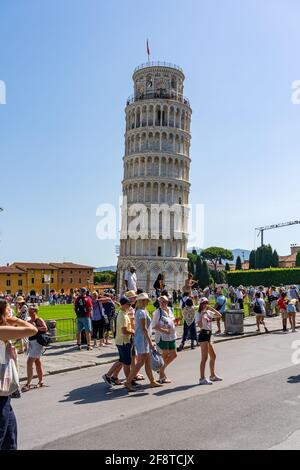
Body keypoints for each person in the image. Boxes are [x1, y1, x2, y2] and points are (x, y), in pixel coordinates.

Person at [0, 298, 38, 450]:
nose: (11, 311)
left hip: (5, 391)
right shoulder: (1, 331)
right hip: (1, 391)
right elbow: (32, 330)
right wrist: (14, 319)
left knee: (10, 436)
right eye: (8, 309)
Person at [124, 293, 162, 392]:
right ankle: (128, 382)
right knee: (140, 362)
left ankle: (152, 381)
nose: (148, 301)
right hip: (142, 339)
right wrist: (150, 342)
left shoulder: (142, 311)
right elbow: (144, 329)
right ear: (142, 301)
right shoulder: (141, 312)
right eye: (146, 300)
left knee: (147, 362)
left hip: (143, 338)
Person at [102, 296, 135, 387]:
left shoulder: (122, 313)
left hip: (121, 340)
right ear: (124, 305)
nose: (130, 306)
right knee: (126, 363)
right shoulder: (123, 316)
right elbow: (124, 331)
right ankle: (129, 381)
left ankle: (110, 376)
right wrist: (133, 332)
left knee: (121, 360)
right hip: (124, 341)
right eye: (129, 304)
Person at [196, 297, 223, 385]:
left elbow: (219, 315)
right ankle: (202, 378)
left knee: (213, 356)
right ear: (200, 304)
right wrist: (202, 315)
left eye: (206, 303)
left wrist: (211, 308)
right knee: (204, 358)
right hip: (203, 335)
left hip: (209, 335)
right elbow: (200, 325)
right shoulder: (199, 313)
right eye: (203, 303)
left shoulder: (208, 312)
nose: (205, 304)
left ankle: (212, 376)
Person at [152, 295, 177, 383]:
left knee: (174, 355)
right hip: (162, 337)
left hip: (172, 336)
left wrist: (175, 321)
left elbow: (171, 320)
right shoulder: (157, 312)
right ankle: (161, 375)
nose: (162, 303)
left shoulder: (170, 310)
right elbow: (154, 326)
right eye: (160, 301)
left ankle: (161, 370)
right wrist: (164, 330)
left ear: (167, 302)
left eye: (164, 301)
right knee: (165, 354)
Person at [22, 306, 48, 391]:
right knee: (37, 362)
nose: (29, 310)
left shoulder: (39, 319)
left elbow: (45, 329)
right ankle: (41, 381)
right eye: (29, 309)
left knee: (29, 362)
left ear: (35, 311)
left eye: (31, 309)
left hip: (37, 343)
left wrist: (36, 327)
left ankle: (28, 384)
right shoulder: (29, 321)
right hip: (31, 343)